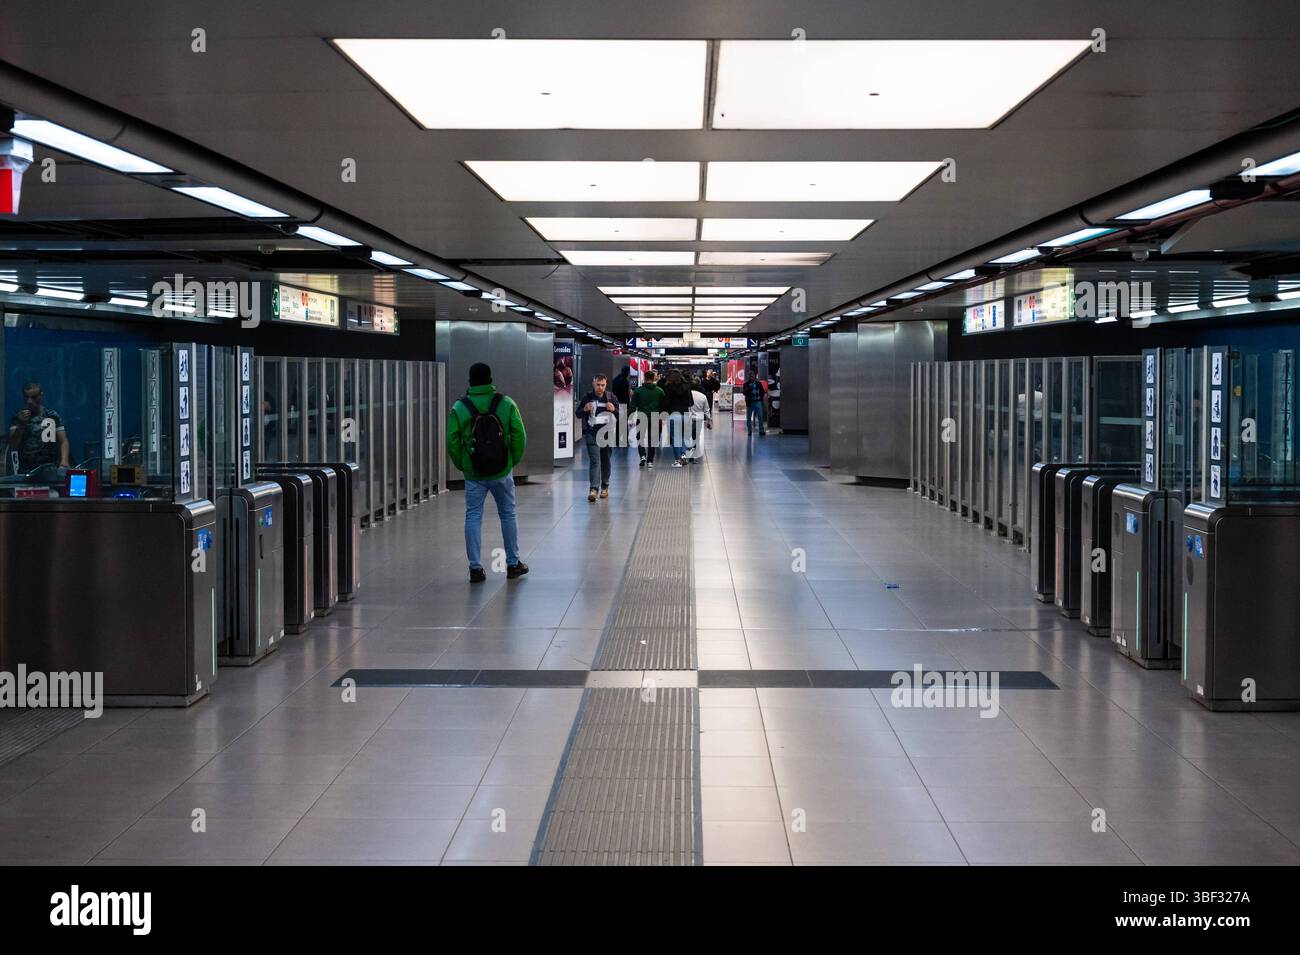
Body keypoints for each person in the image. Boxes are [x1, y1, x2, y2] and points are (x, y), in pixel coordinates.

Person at [447, 362, 528, 583]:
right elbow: (520, 436)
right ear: (490, 380)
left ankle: (475, 568)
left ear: (470, 381)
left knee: (473, 516)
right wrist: (510, 461)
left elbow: (451, 443)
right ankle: (513, 563)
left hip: (474, 474)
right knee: (508, 514)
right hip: (502, 472)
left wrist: (464, 465)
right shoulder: (506, 403)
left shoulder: (459, 408)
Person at [6, 381, 70, 474]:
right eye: (26, 397)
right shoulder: (18, 417)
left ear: (41, 396)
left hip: (49, 469)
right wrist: (21, 424)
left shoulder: (52, 415)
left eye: (33, 397)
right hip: (26, 470)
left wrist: (64, 461)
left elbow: (63, 441)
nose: (29, 401)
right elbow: (13, 444)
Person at [576, 374, 618, 502]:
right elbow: (578, 414)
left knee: (605, 460)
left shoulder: (611, 397)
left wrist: (614, 409)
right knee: (595, 461)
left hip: (607, 434)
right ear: (593, 384)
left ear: (606, 385)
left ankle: (605, 486)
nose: (600, 388)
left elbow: (620, 414)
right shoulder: (587, 397)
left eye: (603, 385)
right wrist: (584, 409)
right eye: (598, 385)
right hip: (592, 433)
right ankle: (593, 489)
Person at [630, 368, 665, 468]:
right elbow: (663, 406)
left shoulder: (638, 391)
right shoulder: (660, 391)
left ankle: (642, 456)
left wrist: (628, 417)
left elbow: (633, 406)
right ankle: (650, 461)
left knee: (640, 438)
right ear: (654, 378)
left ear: (644, 378)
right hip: (655, 417)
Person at [660, 370, 693, 467]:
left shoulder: (668, 387)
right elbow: (691, 402)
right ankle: (683, 455)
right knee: (683, 436)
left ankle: (678, 460)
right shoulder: (687, 386)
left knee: (675, 438)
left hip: (674, 415)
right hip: (685, 415)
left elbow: (666, 403)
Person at [685, 384, 711, 462]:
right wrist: (709, 420)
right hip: (699, 419)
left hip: (688, 418)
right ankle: (694, 455)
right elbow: (706, 410)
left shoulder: (686, 395)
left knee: (687, 436)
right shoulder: (703, 396)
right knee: (696, 437)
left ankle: (686, 454)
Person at [742, 372, 768, 436]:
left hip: (757, 402)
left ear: (754, 376)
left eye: (752, 376)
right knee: (748, 417)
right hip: (750, 402)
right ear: (749, 377)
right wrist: (749, 387)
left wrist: (761, 397)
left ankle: (761, 430)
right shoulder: (746, 384)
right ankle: (749, 431)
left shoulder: (758, 383)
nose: (751, 377)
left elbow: (762, 392)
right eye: (750, 376)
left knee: (760, 416)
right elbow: (744, 392)